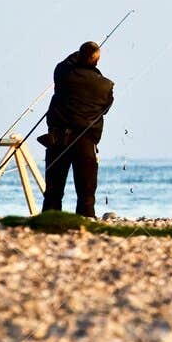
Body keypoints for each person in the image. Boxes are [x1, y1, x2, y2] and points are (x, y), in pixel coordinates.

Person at [39, 41, 115, 217]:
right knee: (86, 191)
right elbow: (106, 107)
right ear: (97, 61)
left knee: (54, 189)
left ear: (79, 55)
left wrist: (81, 55)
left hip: (58, 139)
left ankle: (50, 220)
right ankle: (86, 220)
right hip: (85, 142)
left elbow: (66, 62)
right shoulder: (105, 86)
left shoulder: (62, 73)